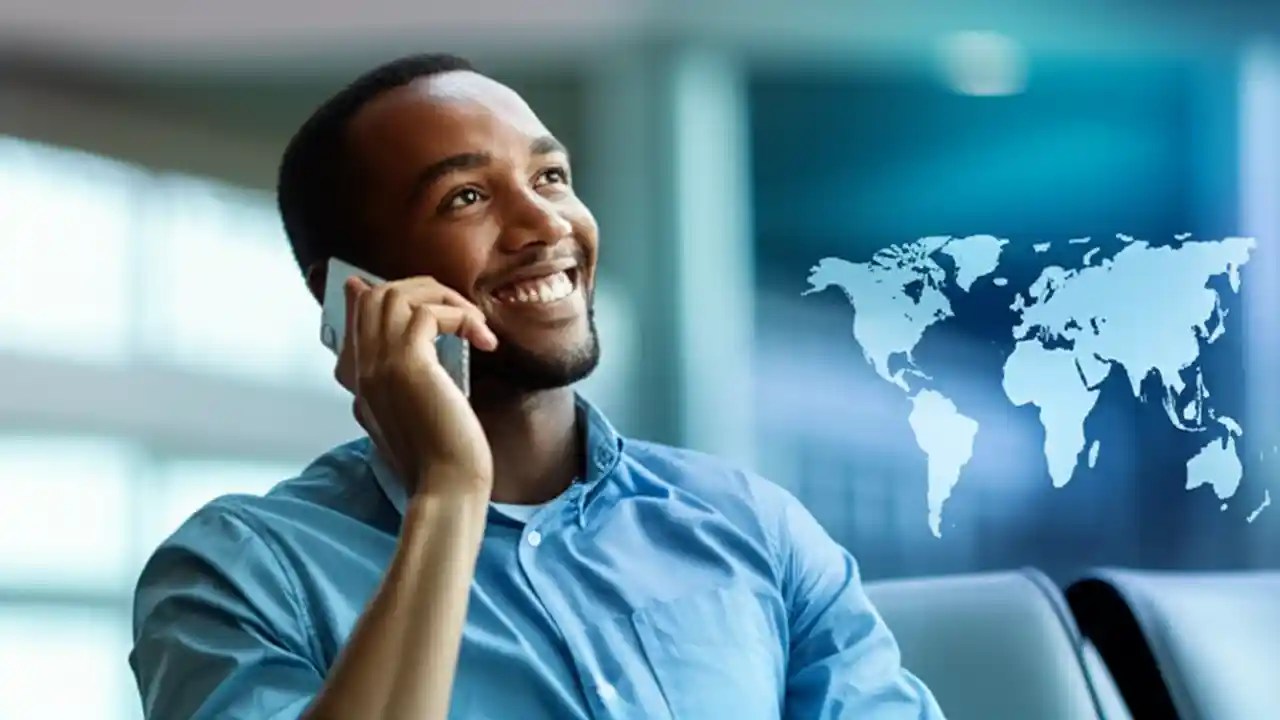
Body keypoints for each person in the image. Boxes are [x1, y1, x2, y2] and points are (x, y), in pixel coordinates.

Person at [128, 53, 946, 720]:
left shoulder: (750, 525)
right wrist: (449, 493)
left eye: (550, 177)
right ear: (351, 292)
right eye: (467, 197)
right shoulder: (240, 572)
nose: (547, 224)